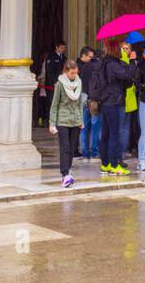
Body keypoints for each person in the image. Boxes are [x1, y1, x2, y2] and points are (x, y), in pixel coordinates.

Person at [95, 49, 135, 176]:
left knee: (106, 134)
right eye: (121, 49)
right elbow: (128, 75)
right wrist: (130, 61)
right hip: (113, 101)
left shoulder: (103, 63)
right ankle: (114, 165)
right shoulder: (113, 64)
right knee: (115, 134)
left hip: (105, 101)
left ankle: (105, 164)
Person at [49, 59, 84, 187]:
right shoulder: (60, 84)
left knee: (72, 148)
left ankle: (68, 171)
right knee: (65, 148)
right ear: (66, 71)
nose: (74, 75)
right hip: (62, 120)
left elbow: (80, 103)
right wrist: (52, 123)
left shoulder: (79, 83)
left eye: (75, 73)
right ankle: (65, 174)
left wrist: (81, 120)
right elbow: (55, 104)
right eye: (72, 73)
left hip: (75, 120)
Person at [77, 46, 101, 161]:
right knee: (95, 127)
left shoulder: (85, 66)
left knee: (84, 127)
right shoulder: (99, 67)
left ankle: (85, 152)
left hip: (84, 96)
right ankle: (94, 152)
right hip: (94, 99)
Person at [36, 41, 68, 127]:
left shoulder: (63, 57)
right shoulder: (51, 57)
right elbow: (50, 72)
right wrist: (54, 82)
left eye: (64, 48)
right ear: (56, 47)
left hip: (62, 84)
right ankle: (51, 121)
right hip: (52, 85)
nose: (63, 50)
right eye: (61, 48)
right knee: (52, 103)